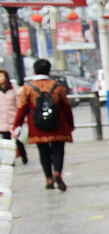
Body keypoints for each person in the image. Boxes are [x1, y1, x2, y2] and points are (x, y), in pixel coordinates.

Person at [13, 58, 74, 191]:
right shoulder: (57, 86)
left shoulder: (28, 88)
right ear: (49, 70)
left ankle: (49, 179)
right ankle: (57, 172)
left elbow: (22, 108)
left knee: (43, 152)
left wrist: (16, 126)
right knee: (59, 150)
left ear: (35, 70)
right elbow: (66, 107)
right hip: (58, 124)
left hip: (37, 125)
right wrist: (70, 124)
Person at [0, 70, 28, 164]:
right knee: (6, 142)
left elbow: (19, 103)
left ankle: (24, 157)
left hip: (14, 119)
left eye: (1, 76)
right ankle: (11, 161)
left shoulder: (13, 89)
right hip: (2, 120)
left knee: (18, 140)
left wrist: (22, 118)